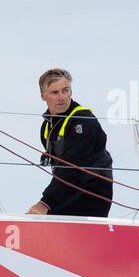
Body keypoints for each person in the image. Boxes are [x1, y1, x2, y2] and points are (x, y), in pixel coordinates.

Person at [26, 68, 114, 217]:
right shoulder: (47, 126)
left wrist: (45, 203)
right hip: (66, 194)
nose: (62, 97)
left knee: (40, 214)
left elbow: (71, 167)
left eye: (65, 91)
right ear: (43, 96)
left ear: (71, 92)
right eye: (55, 92)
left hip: (91, 199)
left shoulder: (84, 121)